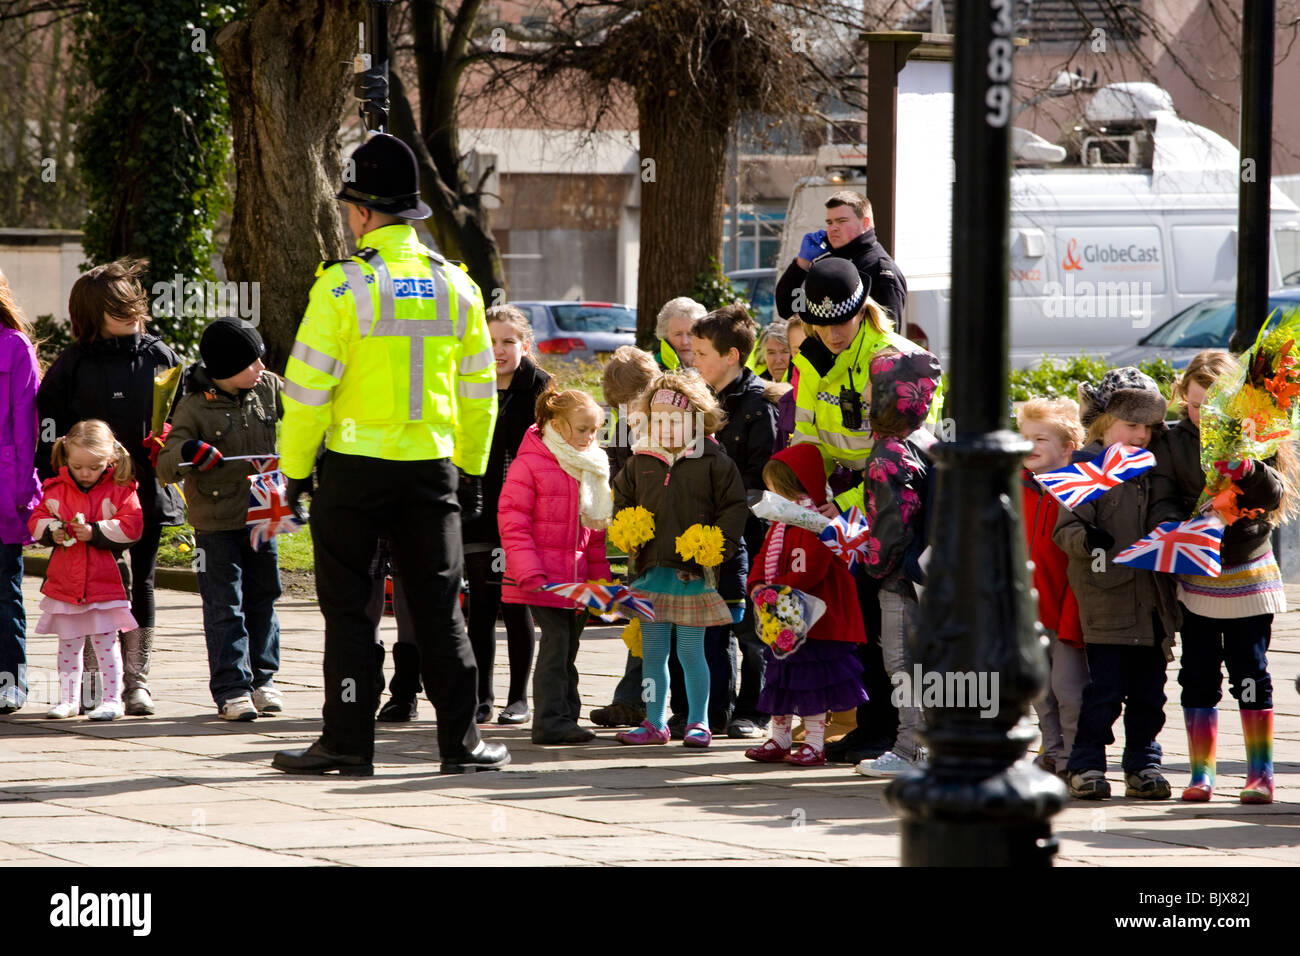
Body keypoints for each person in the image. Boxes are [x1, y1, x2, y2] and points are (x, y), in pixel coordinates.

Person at [272, 132, 507, 776]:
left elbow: (307, 393)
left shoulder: (341, 289)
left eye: (350, 207)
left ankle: (348, 742)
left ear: (366, 212)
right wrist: (474, 468)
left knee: (351, 611)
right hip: (431, 470)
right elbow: (480, 392)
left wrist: (294, 471)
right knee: (438, 607)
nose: (349, 218)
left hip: (353, 469)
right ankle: (461, 743)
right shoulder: (458, 288)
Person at [787, 257, 940, 766]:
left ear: (863, 310)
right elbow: (808, 430)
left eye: (841, 321)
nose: (831, 333)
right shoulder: (809, 355)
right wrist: (801, 486)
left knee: (888, 621)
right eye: (820, 322)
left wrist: (840, 502)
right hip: (840, 494)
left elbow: (902, 452)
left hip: (888, 499)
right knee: (859, 618)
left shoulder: (897, 358)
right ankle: (874, 726)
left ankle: (899, 734)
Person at [36, 259, 184, 716]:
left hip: (143, 496)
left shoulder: (161, 356)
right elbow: (47, 432)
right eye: (119, 308)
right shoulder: (71, 366)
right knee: (86, 589)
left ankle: (136, 681)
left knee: (139, 583)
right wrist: (53, 492)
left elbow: (179, 421)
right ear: (91, 314)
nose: (133, 314)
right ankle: (92, 684)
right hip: (81, 501)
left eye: (135, 305)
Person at [1157, 350, 1293, 804]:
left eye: (1211, 408)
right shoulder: (1173, 441)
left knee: (1250, 670)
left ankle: (1260, 774)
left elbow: (1273, 494)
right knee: (1197, 673)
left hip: (1247, 571)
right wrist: (1182, 526)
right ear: (1183, 399)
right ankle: (1202, 774)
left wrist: (1249, 469)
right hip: (1197, 574)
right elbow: (1162, 495)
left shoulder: (1254, 434)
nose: (1202, 415)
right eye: (1195, 405)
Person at [1055, 367, 1183, 800]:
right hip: (1106, 598)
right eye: (1132, 425)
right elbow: (1065, 526)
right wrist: (1086, 538)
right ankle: (1086, 762)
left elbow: (1166, 507)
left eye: (1149, 427)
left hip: (1152, 601)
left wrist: (1171, 529)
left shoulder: (1154, 469)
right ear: (1105, 424)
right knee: (1104, 692)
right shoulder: (1085, 468)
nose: (1142, 435)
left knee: (1150, 695)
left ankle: (1143, 762)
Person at [156, 319, 284, 721]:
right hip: (215, 522)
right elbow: (165, 464)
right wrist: (190, 452)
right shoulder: (193, 405)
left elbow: (306, 416)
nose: (261, 367)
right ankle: (232, 688)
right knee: (225, 604)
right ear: (225, 370)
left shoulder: (269, 388)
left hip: (266, 513)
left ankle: (264, 680)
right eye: (251, 361)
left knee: (265, 597)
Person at [611, 372, 748, 747]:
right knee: (653, 655)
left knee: (691, 651)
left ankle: (699, 721)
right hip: (651, 573)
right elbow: (621, 499)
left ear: (697, 418)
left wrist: (718, 543)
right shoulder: (641, 461)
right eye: (659, 420)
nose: (667, 427)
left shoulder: (714, 460)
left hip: (692, 575)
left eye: (676, 419)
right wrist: (627, 526)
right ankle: (655, 722)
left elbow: (734, 508)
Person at [451, 304, 553, 725]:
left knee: (516, 606)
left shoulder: (542, 391)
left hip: (522, 518)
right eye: (490, 341)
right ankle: (482, 696)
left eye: (508, 341)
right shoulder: (465, 385)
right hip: (476, 510)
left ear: (525, 345)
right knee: (481, 603)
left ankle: (518, 698)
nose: (498, 350)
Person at [498, 386, 612, 744]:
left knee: (568, 650)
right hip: (542, 578)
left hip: (575, 581)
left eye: (595, 430)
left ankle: (566, 716)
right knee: (556, 647)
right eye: (582, 429)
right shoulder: (530, 463)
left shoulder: (588, 465)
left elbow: (594, 532)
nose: (590, 437)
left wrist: (601, 582)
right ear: (556, 424)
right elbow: (513, 521)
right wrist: (528, 570)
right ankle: (550, 720)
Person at [744, 443, 868, 766]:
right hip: (783, 618)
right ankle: (780, 736)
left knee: (812, 684)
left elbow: (813, 567)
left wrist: (779, 590)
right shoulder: (781, 522)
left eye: (779, 488)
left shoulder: (816, 522)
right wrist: (757, 584)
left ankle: (814, 742)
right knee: (780, 681)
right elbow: (763, 554)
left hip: (816, 621)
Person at [854, 347, 943, 777]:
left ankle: (912, 749)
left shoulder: (887, 453)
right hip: (928, 571)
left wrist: (869, 560)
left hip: (899, 578)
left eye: (873, 384)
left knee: (901, 663)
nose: (864, 392)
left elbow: (892, 525)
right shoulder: (925, 440)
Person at [689, 304, 777, 738]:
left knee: (751, 630)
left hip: (752, 534)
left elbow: (764, 476)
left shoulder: (760, 407)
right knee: (711, 626)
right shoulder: (698, 399)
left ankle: (754, 711)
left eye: (702, 352)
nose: (693, 360)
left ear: (732, 356)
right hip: (705, 534)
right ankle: (714, 709)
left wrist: (728, 508)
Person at [29, 420, 143, 720]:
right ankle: (68, 699)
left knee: (106, 644)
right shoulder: (56, 489)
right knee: (68, 645)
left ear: (110, 461)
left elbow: (132, 525)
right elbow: (38, 516)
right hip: (67, 582)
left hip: (105, 583)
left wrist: (95, 531)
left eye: (93, 467)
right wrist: (53, 529)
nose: (85, 473)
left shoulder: (121, 490)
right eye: (78, 466)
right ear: (67, 459)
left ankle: (112, 699)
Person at [589, 345, 660, 729]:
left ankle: (663, 703)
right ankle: (632, 699)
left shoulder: (673, 416)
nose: (626, 413)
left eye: (632, 403)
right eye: (619, 406)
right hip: (639, 531)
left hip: (676, 531)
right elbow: (614, 471)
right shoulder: (618, 423)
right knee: (640, 615)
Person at [1018, 397, 1087, 779]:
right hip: (1029, 610)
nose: (1030, 445)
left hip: (1067, 608)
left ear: (1067, 448)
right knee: (1041, 691)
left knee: (1069, 690)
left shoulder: (1077, 491)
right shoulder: (1015, 487)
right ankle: (1053, 751)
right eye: (1025, 436)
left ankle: (1076, 757)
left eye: (1041, 438)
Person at [775, 190, 907, 326]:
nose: (833, 228)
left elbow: (886, 332)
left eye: (841, 221)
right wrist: (802, 264)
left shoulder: (880, 269)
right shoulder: (826, 263)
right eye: (830, 222)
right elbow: (789, 310)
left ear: (865, 223)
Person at [0, 270, 40, 714]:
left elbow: (27, 429)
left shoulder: (15, 347)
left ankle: (11, 680)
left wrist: (18, 490)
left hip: (3, 487)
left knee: (4, 588)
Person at [654, 297, 706, 370]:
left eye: (690, 334)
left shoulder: (714, 368)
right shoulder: (652, 370)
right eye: (678, 334)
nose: (684, 342)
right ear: (665, 335)